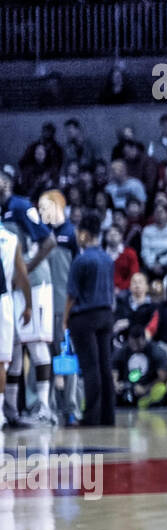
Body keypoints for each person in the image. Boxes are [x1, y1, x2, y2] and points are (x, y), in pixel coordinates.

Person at [1, 167, 58, 426]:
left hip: (34, 283)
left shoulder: (22, 205)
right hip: (11, 287)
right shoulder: (3, 211)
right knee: (11, 348)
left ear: (7, 182)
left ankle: (44, 406)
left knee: (36, 344)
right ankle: (10, 409)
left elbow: (49, 242)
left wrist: (26, 269)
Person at [65, 212, 116, 428]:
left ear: (84, 234)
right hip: (106, 314)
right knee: (105, 366)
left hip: (84, 317)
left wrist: (64, 320)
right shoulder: (107, 258)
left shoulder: (81, 260)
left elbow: (72, 295)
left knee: (90, 368)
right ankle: (108, 416)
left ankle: (91, 418)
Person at [39, 190, 79, 425]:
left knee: (67, 357)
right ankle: (48, 408)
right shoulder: (41, 233)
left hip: (63, 306)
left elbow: (78, 269)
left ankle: (70, 408)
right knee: (45, 357)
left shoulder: (70, 234)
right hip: (42, 304)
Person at [0, 224, 32, 431]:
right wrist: (28, 304)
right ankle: (5, 412)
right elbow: (22, 275)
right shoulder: (11, 238)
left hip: (5, 299)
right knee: (4, 361)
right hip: (5, 301)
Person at [112, 324, 167, 409]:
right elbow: (114, 371)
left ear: (144, 339)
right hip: (126, 386)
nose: (135, 347)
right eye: (132, 343)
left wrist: (145, 388)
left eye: (138, 344)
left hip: (148, 387)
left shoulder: (157, 352)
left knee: (161, 388)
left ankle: (145, 403)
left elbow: (163, 377)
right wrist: (116, 384)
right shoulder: (122, 351)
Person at [139, 202, 167, 279]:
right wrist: (152, 264)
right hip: (151, 266)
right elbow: (145, 251)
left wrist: (161, 263)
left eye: (161, 212)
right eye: (156, 212)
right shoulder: (147, 230)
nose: (158, 215)